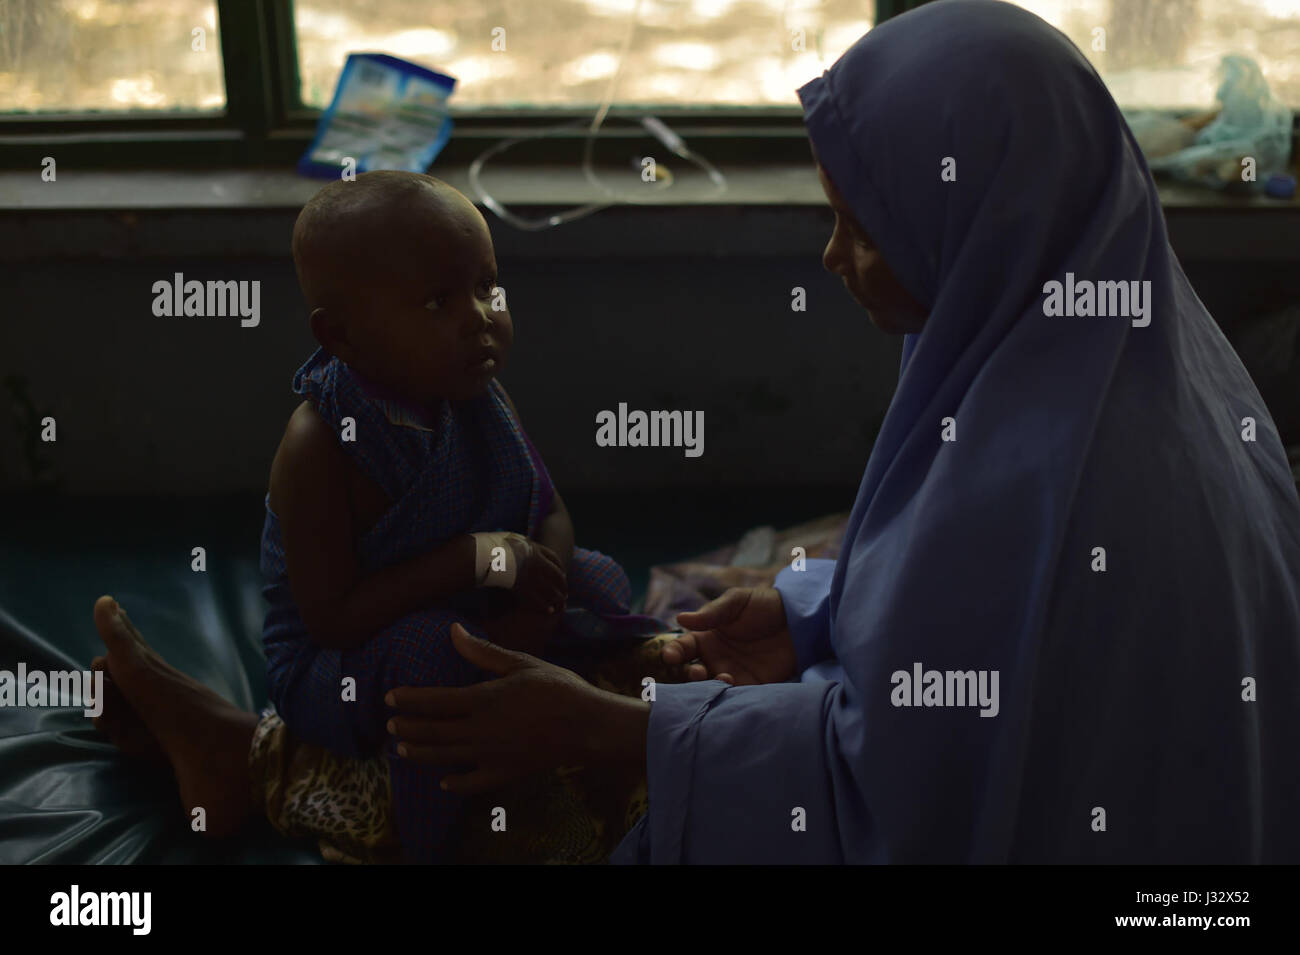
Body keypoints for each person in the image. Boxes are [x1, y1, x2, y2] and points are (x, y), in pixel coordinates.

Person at [91, 0, 1300, 863]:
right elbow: (998, 640)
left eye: (864, 229)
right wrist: (813, 607)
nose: (834, 260)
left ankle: (244, 763)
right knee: (623, 643)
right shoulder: (1125, 355)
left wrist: (612, 733)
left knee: (533, 772)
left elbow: (894, 795)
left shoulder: (1041, 482)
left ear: (985, 228)